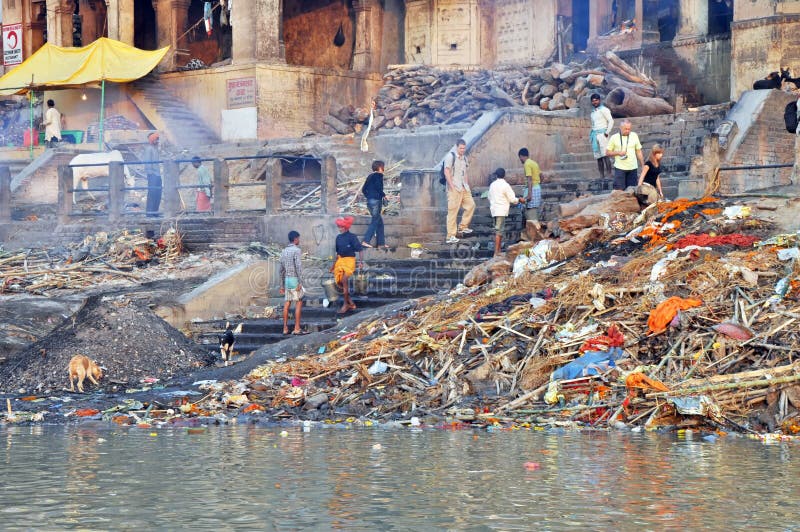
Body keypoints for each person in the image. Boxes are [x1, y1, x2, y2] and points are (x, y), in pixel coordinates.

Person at [442, 139, 475, 244]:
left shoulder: (464, 158)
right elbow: (446, 171)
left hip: (463, 187)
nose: (462, 150)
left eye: (464, 148)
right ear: (457, 147)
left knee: (471, 205)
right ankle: (450, 236)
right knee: (453, 212)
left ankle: (462, 227)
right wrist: (451, 186)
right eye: (461, 148)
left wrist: (467, 185)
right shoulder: (450, 156)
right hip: (454, 187)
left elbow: (465, 173)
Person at [331, 216, 363, 314]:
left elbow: (360, 250)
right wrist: (333, 265)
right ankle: (351, 303)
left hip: (350, 261)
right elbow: (338, 253)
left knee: (344, 280)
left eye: (340, 227)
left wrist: (361, 262)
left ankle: (345, 304)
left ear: (345, 227)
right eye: (338, 227)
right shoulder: (338, 238)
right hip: (340, 261)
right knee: (339, 282)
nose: (339, 228)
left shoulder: (352, 237)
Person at [487, 168, 521, 256]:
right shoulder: (505, 185)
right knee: (499, 231)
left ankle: (498, 250)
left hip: (494, 210)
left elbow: (489, 197)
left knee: (498, 230)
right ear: (504, 175)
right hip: (501, 211)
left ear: (496, 175)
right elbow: (512, 199)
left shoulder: (492, 185)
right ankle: (496, 252)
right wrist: (519, 200)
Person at [279, 230, 305, 335]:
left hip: (287, 280)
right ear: (295, 239)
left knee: (287, 304)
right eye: (298, 238)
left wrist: (281, 285)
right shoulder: (296, 250)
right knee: (298, 302)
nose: (299, 240)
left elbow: (281, 270)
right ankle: (297, 328)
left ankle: (285, 328)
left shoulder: (284, 251)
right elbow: (298, 267)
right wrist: (300, 282)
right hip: (294, 279)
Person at [606, 119, 644, 191]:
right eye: (625, 129)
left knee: (632, 191)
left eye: (629, 129)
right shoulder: (614, 137)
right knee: (619, 191)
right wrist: (618, 153)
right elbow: (607, 152)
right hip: (620, 168)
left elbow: (638, 151)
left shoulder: (634, 135)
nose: (627, 131)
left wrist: (642, 165)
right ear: (620, 128)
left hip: (633, 168)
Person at [361, 160, 388, 249]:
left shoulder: (370, 176)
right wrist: (383, 195)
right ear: (380, 167)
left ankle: (381, 244)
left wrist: (369, 196)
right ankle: (365, 241)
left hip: (370, 201)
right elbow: (378, 188)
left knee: (379, 222)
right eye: (383, 167)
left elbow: (364, 189)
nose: (383, 169)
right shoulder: (379, 176)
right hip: (376, 201)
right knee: (375, 221)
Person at [518, 147, 543, 233]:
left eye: (520, 158)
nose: (520, 160)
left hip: (532, 189)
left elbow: (529, 179)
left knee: (530, 211)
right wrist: (538, 184)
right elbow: (541, 175)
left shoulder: (527, 164)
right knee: (531, 210)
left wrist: (529, 194)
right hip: (537, 187)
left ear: (521, 156)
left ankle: (533, 233)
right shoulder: (534, 163)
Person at [589, 94, 614, 179]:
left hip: (603, 135)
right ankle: (601, 175)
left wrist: (607, 132)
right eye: (593, 100)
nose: (594, 102)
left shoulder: (604, 110)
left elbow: (611, 121)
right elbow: (593, 125)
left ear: (599, 100)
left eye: (596, 100)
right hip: (595, 135)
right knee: (598, 156)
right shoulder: (592, 113)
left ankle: (609, 174)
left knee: (605, 155)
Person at [142, 132, 162, 217]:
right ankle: (150, 213)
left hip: (157, 175)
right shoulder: (149, 149)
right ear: (152, 140)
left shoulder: (155, 149)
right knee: (152, 193)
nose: (158, 141)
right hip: (152, 175)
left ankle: (155, 212)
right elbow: (147, 163)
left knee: (158, 194)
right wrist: (150, 174)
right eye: (156, 139)